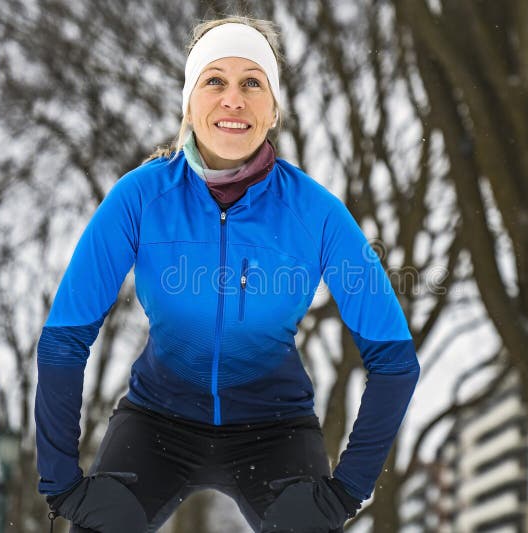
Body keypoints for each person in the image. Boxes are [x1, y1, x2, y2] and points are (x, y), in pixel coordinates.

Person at [35, 15, 419, 533]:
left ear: (274, 109)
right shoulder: (141, 198)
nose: (233, 99)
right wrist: (60, 485)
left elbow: (394, 361)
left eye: (252, 83)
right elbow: (64, 338)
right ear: (190, 101)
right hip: (157, 423)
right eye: (214, 80)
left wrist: (348, 492)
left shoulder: (315, 212)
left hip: (276, 429)